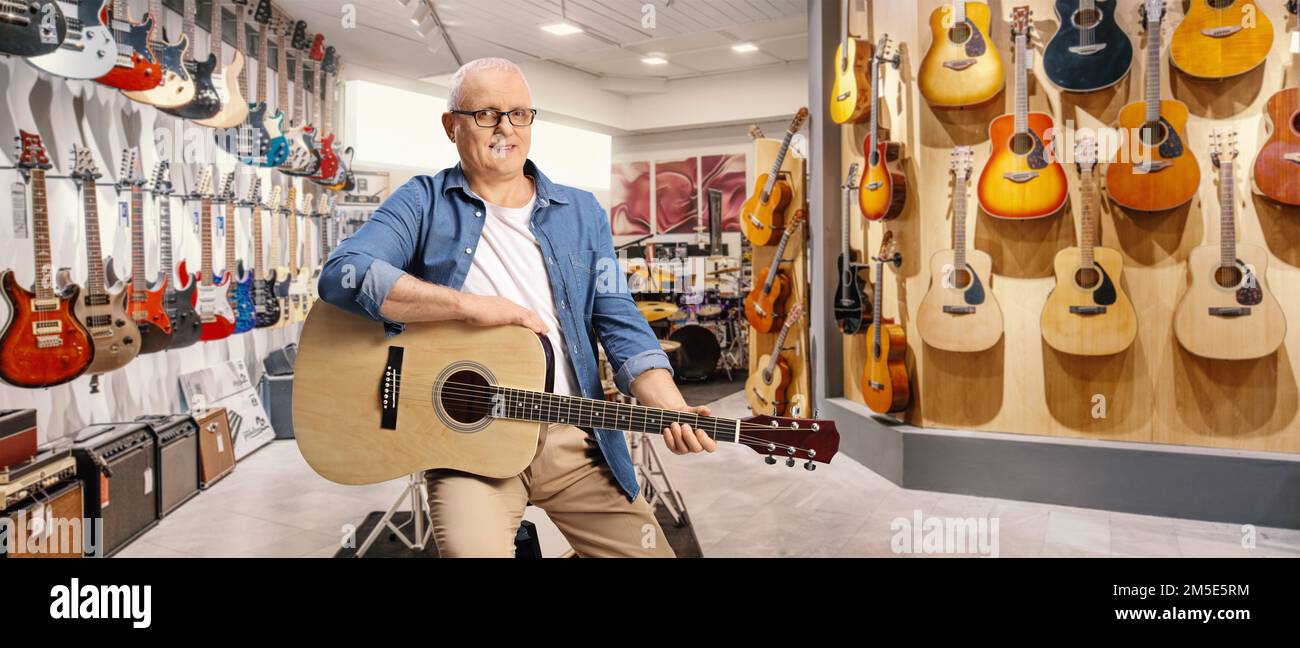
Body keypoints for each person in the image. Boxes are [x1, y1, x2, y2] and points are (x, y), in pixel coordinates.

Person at [318, 58, 716, 557]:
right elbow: (342, 275)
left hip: (577, 439)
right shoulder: (422, 202)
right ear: (451, 126)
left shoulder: (583, 212)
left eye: (519, 113)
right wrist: (466, 306)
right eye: (486, 114)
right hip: (466, 448)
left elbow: (620, 321)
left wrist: (670, 405)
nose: (505, 128)